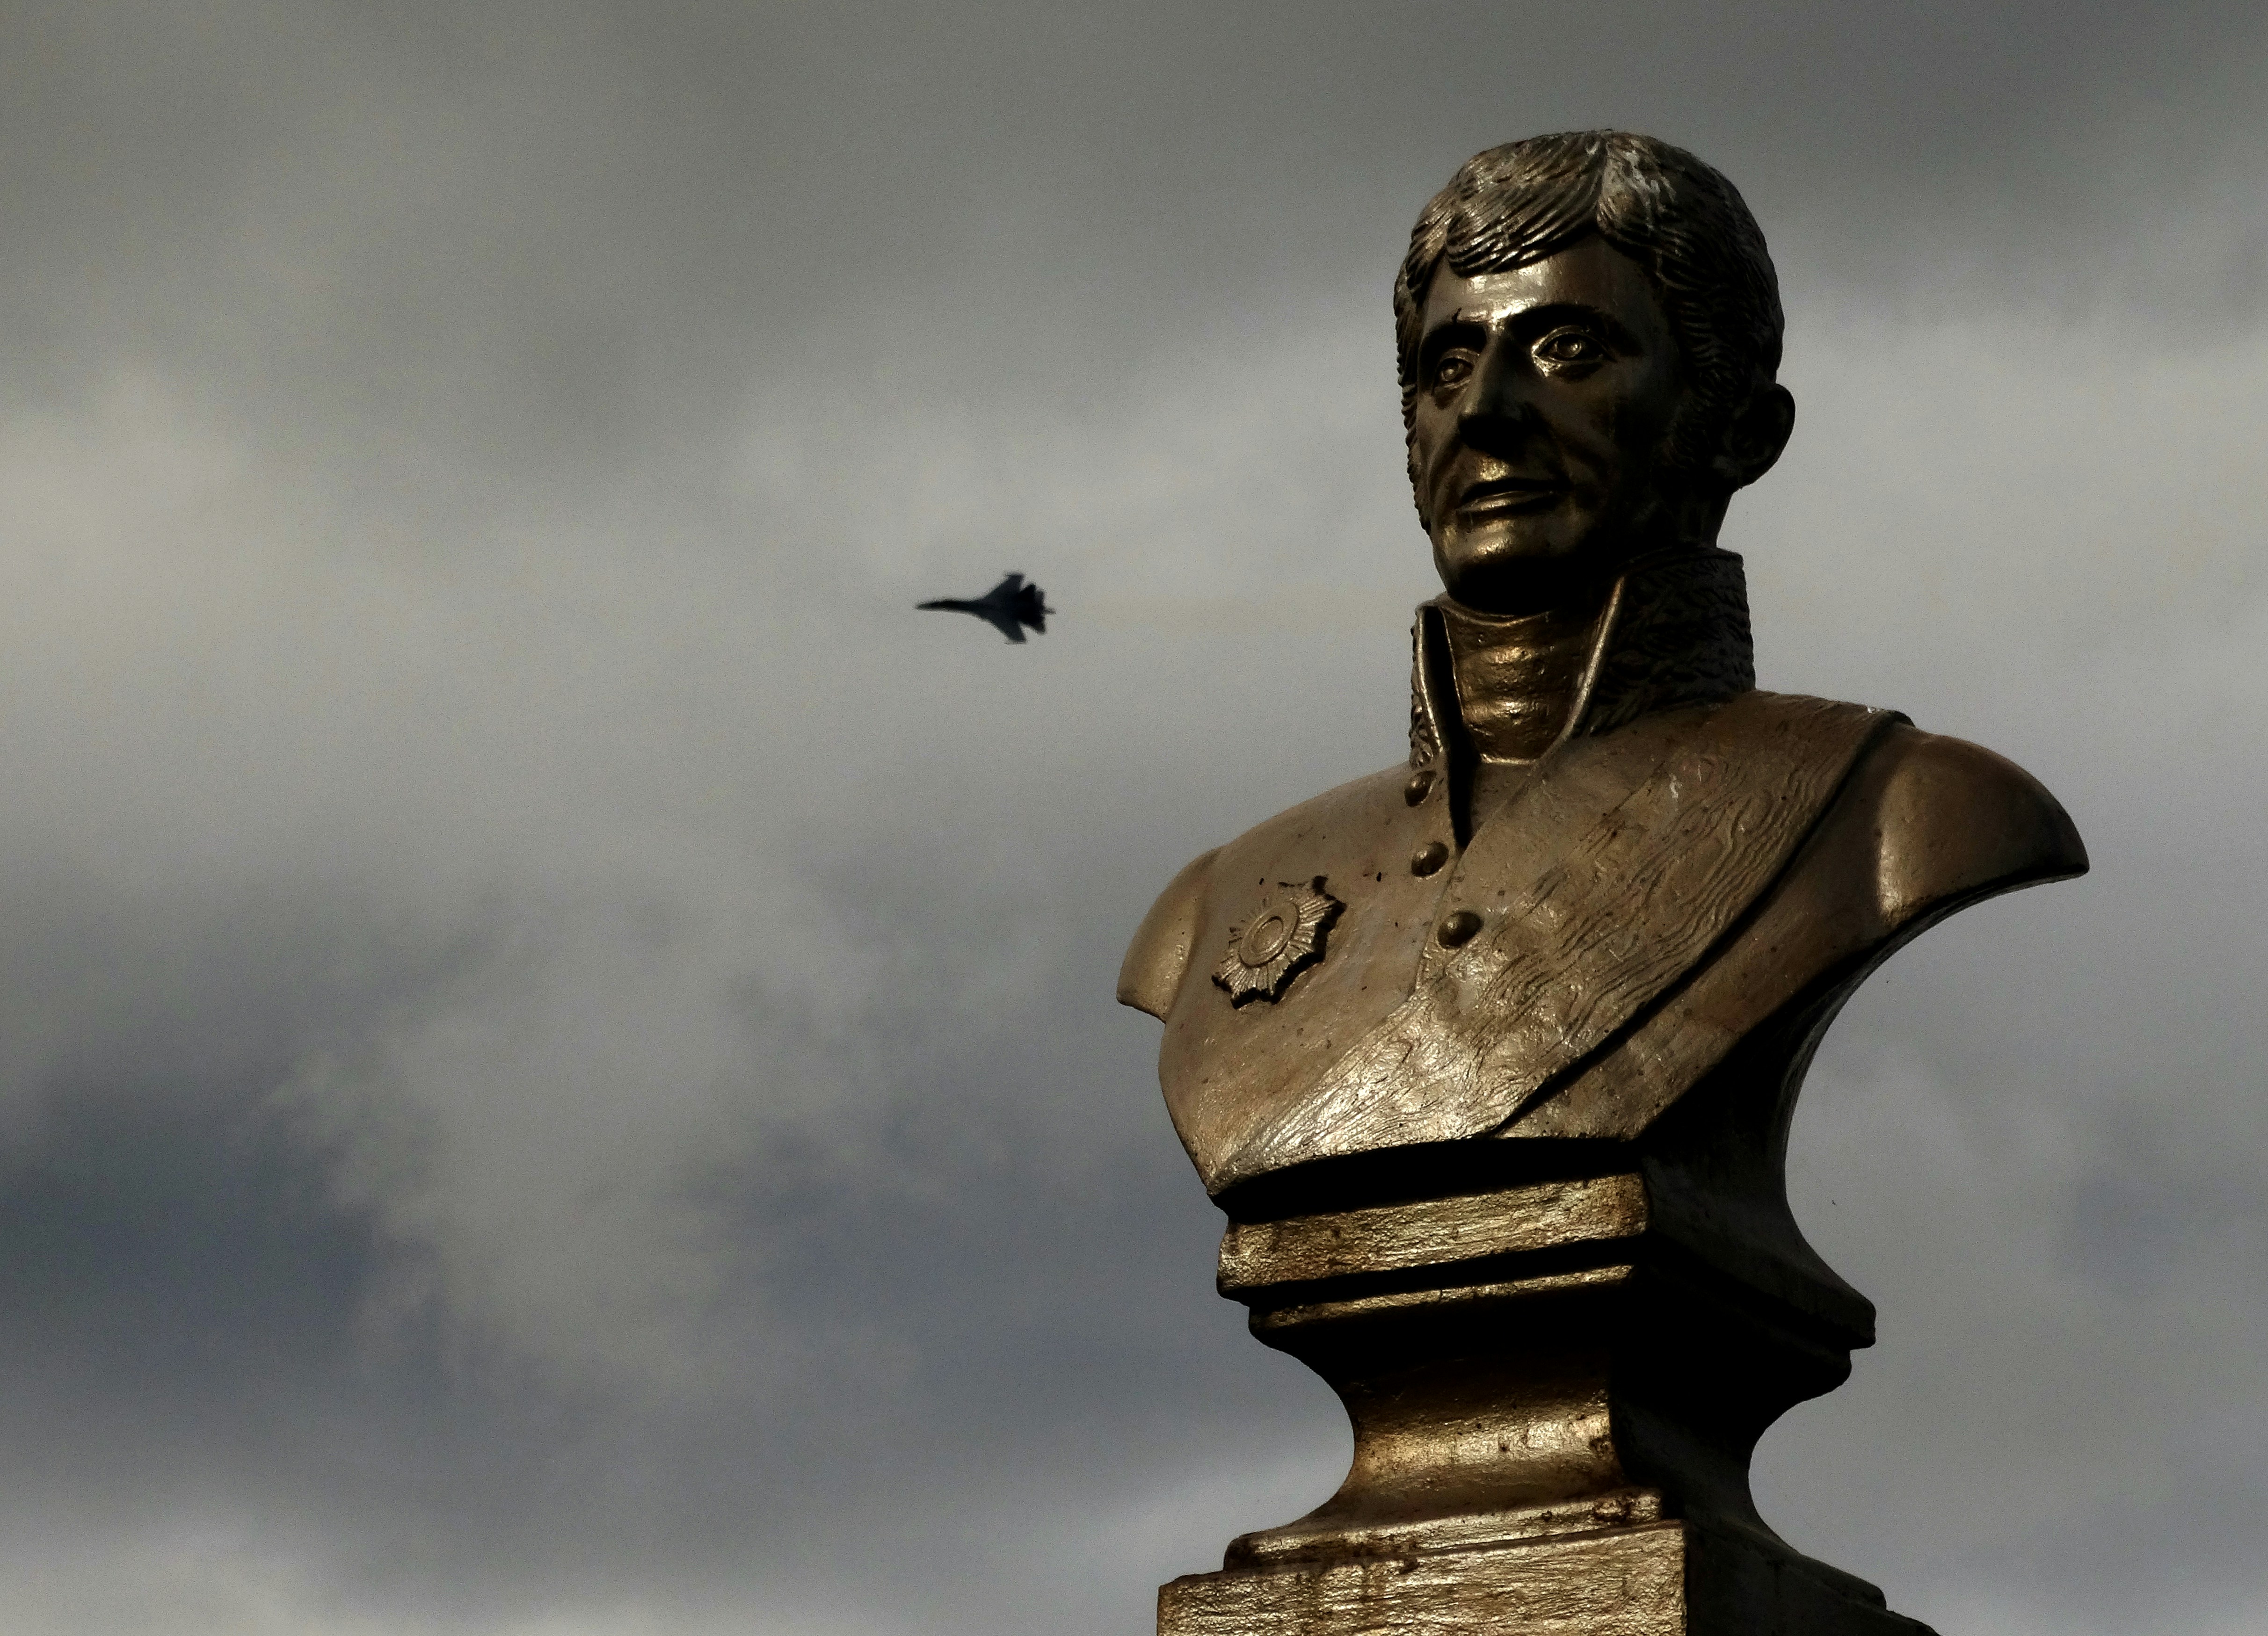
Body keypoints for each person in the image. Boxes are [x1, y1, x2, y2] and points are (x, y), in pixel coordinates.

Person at [1118, 131, 2086, 1213]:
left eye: (1568, 351)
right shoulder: (1216, 904)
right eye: (1448, 366)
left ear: (1738, 430)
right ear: (1410, 437)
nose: (1485, 411)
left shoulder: (1899, 820)